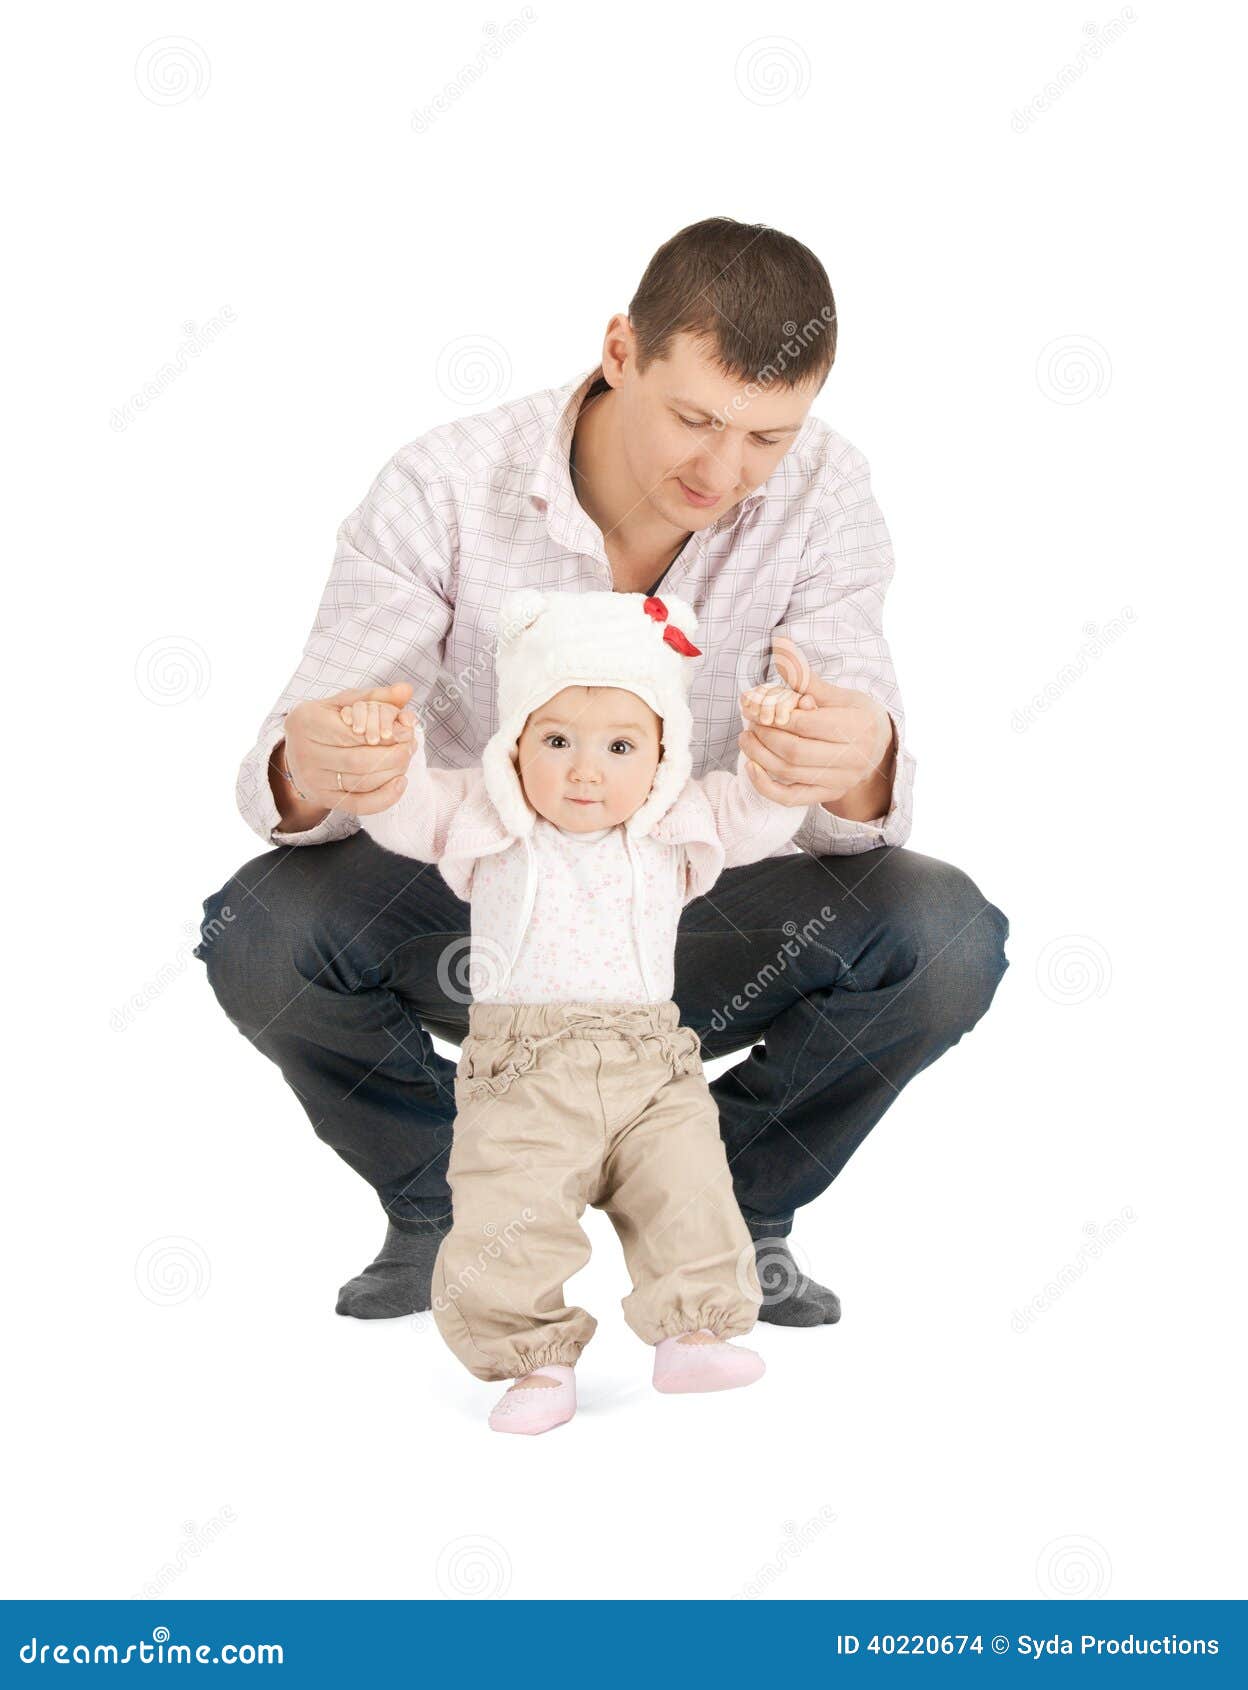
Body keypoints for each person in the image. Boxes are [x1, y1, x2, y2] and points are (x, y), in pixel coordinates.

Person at [193, 216, 1010, 1327]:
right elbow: (286, 780)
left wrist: (854, 762)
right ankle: (454, 1208)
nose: (724, 472)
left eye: (767, 436)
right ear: (621, 350)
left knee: (946, 932)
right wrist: (320, 759)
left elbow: (857, 827)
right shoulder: (443, 484)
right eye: (694, 418)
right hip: (487, 914)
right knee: (260, 930)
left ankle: (720, 1206)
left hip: (686, 903)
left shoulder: (826, 491)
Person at [353, 587, 805, 1434]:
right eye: (556, 740)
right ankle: (535, 1363)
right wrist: (386, 755)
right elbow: (399, 810)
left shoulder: (678, 821)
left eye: (621, 745)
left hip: (652, 1068)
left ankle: (694, 1331)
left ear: (663, 755)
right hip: (523, 1071)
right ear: (514, 745)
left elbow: (764, 813)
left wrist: (778, 748)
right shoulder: (486, 816)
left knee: (691, 1192)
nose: (585, 770)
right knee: (506, 1216)